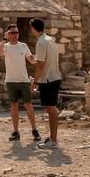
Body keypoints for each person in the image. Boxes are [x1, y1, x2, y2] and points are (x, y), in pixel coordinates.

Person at [0, 24, 40, 143]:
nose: (15, 35)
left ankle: (34, 130)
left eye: (16, 32)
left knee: (28, 105)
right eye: (12, 33)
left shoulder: (23, 46)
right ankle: (16, 131)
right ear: (8, 34)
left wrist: (39, 59)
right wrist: (4, 39)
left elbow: (31, 60)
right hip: (11, 81)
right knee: (14, 106)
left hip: (24, 81)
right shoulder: (5, 46)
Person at [31, 18, 63, 148]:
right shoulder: (49, 40)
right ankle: (52, 139)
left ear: (33, 28)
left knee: (51, 109)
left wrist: (35, 82)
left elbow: (41, 66)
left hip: (48, 79)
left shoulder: (41, 42)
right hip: (55, 77)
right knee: (51, 108)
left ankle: (53, 141)